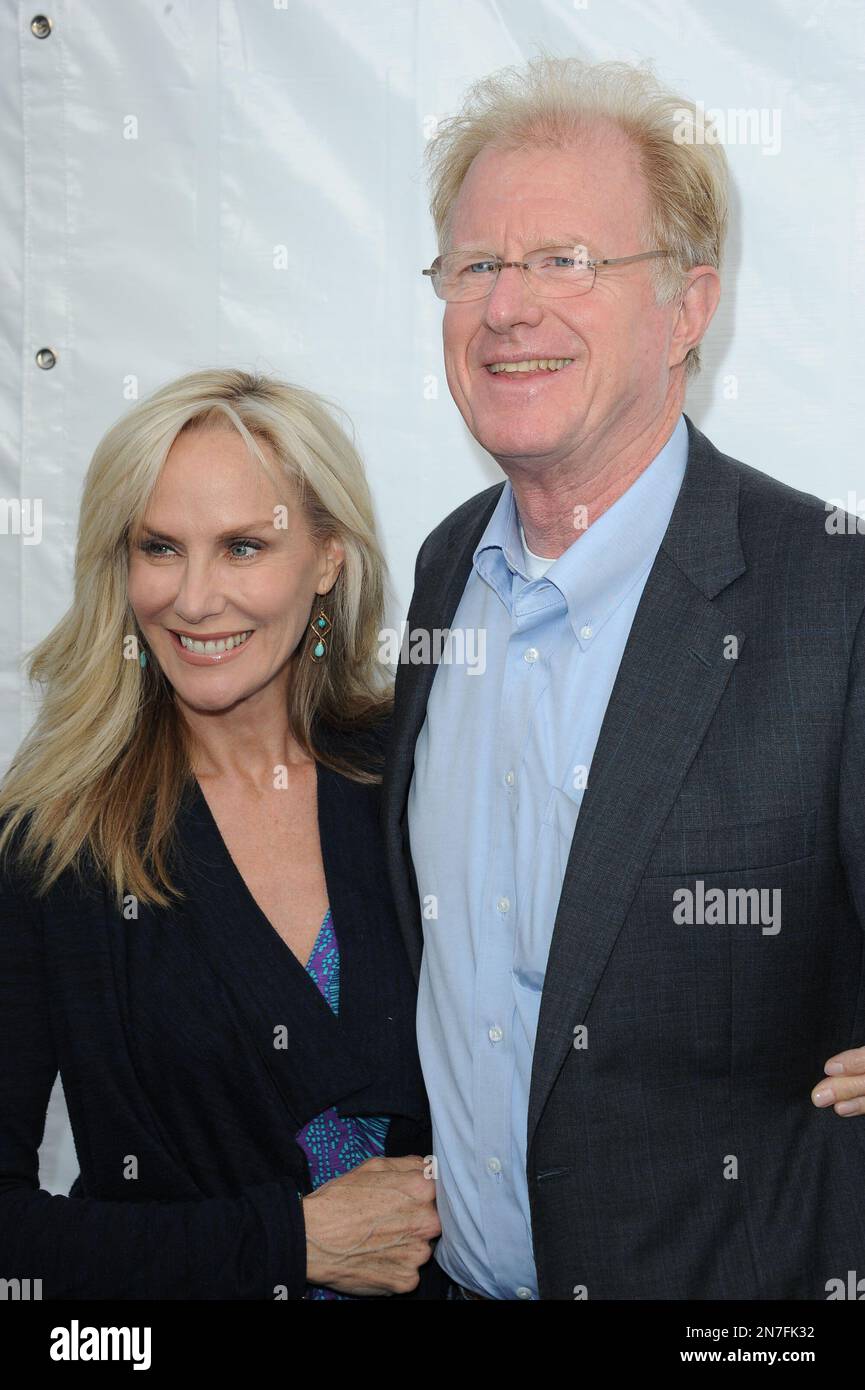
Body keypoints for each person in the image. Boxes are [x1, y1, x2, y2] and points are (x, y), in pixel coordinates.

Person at [382, 55, 865, 1299]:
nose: (506, 309)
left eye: (566, 263)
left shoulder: (833, 593)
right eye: (476, 267)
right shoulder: (443, 571)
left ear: (690, 306)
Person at [0, 367, 443, 1299]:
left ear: (327, 557)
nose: (194, 599)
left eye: (243, 547)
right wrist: (282, 1244)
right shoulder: (54, 841)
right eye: (160, 548)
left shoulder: (423, 769)